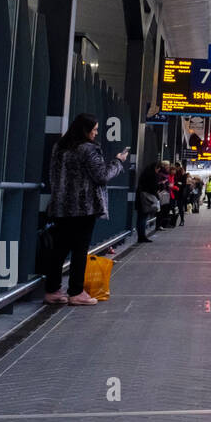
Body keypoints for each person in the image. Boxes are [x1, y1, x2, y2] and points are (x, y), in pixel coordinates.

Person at [45, 113, 126, 305]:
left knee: (59, 249)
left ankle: (52, 290)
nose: (96, 133)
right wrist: (118, 162)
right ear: (85, 130)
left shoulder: (60, 147)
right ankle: (76, 292)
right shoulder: (88, 149)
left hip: (61, 205)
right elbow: (102, 176)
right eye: (94, 129)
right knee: (80, 250)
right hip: (83, 207)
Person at [134, 161, 160, 243]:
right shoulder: (153, 175)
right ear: (156, 168)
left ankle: (140, 236)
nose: (158, 171)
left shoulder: (144, 174)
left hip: (140, 198)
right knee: (143, 218)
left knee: (140, 218)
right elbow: (153, 189)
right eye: (158, 169)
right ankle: (142, 237)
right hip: (146, 200)